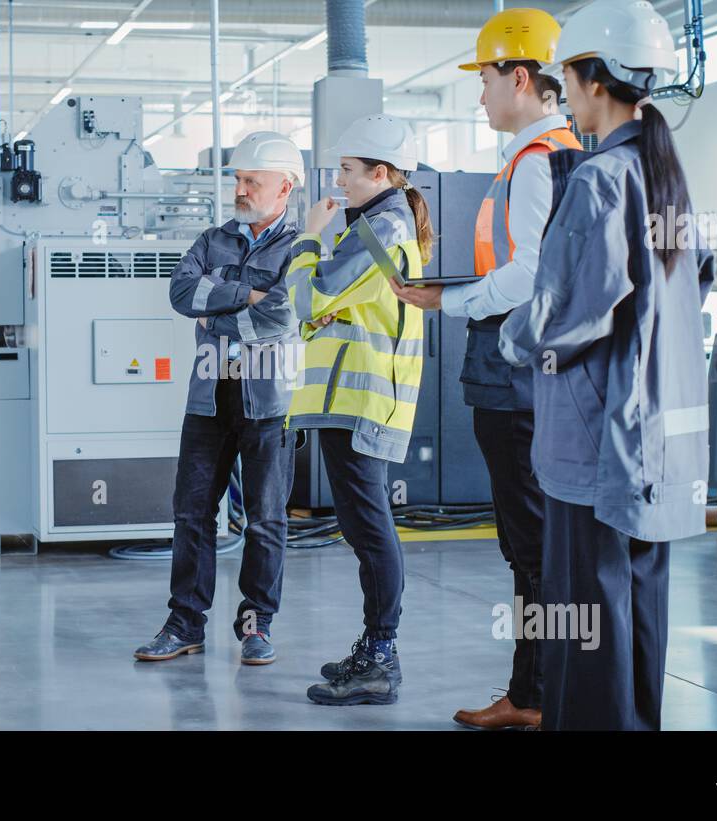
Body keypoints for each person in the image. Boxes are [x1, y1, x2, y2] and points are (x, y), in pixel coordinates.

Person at [498, 0, 713, 730]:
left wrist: (509, 339)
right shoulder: (668, 180)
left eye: (567, 76)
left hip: (594, 446)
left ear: (592, 80)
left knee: (585, 624)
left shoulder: (598, 181)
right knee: (636, 611)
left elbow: (566, 316)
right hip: (655, 443)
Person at [389, 7, 579, 731]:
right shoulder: (540, 156)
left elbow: (529, 275)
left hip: (517, 372)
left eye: (487, 79)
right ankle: (535, 689)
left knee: (531, 543)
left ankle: (536, 695)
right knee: (530, 541)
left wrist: (448, 299)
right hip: (522, 370)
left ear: (522, 78)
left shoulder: (538, 163)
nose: (480, 95)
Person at [134, 131, 304, 666]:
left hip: (270, 402)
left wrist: (223, 310)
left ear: (285, 187)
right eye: (238, 179)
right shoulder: (212, 239)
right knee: (191, 515)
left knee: (267, 520)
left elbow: (283, 314)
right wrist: (251, 295)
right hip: (208, 399)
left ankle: (256, 626)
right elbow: (182, 294)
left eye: (253, 180)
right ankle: (184, 623)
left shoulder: (301, 248)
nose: (241, 189)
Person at [283, 114, 434, 705]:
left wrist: (307, 236)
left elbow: (311, 293)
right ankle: (374, 648)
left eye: (347, 170)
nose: (339, 180)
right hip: (352, 397)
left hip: (365, 398)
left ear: (380, 172)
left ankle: (380, 655)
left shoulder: (380, 229)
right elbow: (333, 304)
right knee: (362, 526)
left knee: (370, 528)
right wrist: (325, 305)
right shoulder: (376, 224)